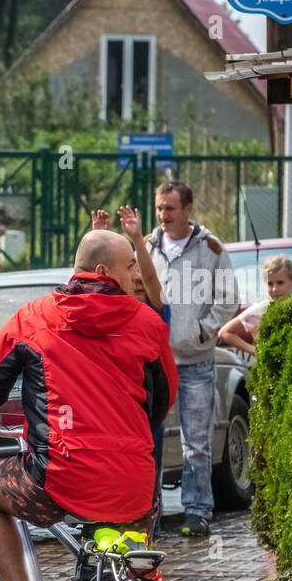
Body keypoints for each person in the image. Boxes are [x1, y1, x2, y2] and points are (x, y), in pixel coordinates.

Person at [0, 230, 177, 581]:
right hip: (133, 484)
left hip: (58, 478)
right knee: (129, 560)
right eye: (131, 267)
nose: (137, 275)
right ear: (104, 271)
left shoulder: (34, 317)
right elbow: (163, 400)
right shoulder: (149, 324)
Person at [146, 180, 236, 539]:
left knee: (195, 442)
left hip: (197, 362)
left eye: (169, 208)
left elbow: (228, 297)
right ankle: (148, 514)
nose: (163, 216)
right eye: (158, 208)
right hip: (156, 364)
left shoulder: (211, 249)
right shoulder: (149, 247)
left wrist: (204, 330)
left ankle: (197, 510)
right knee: (149, 442)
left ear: (187, 208)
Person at [92, 205, 171, 537]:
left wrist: (137, 238)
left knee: (145, 473)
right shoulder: (107, 306)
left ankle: (146, 536)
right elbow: (85, 277)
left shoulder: (153, 309)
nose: (137, 278)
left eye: (140, 272)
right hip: (110, 408)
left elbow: (152, 280)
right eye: (130, 272)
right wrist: (97, 234)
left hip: (145, 408)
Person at [218, 256, 292, 358]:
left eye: (280, 283)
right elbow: (224, 332)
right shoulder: (260, 310)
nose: (274, 289)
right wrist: (254, 351)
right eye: (270, 284)